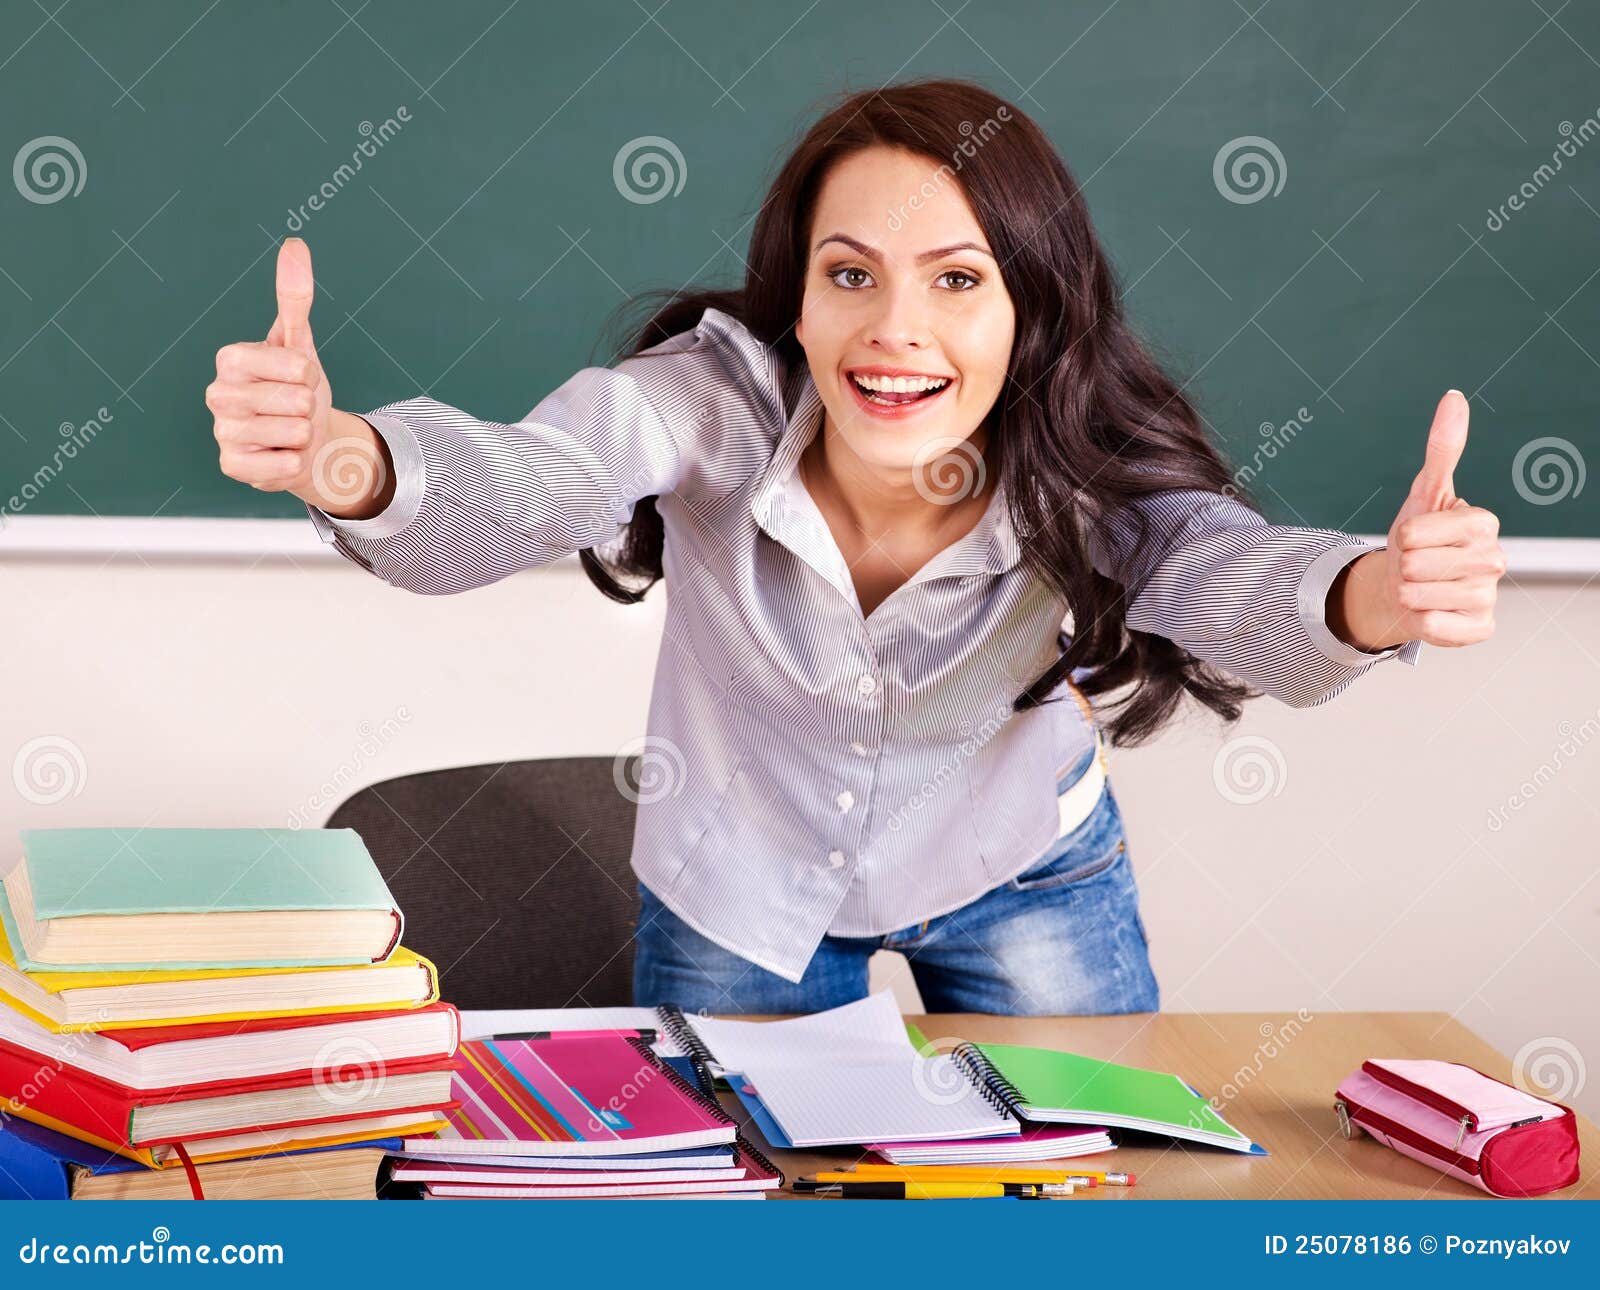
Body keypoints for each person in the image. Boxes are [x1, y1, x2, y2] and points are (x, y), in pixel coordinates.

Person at [205, 78, 1505, 1016]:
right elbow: (540, 480)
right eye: (850, 274)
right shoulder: (707, 404)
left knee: (1081, 1202)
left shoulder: (1078, 467)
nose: (895, 330)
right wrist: (351, 457)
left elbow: (1223, 569)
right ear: (801, 294)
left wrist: (1375, 592)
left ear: (1029, 308)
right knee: (735, 1212)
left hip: (1025, 870)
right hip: (742, 873)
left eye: (956, 279)